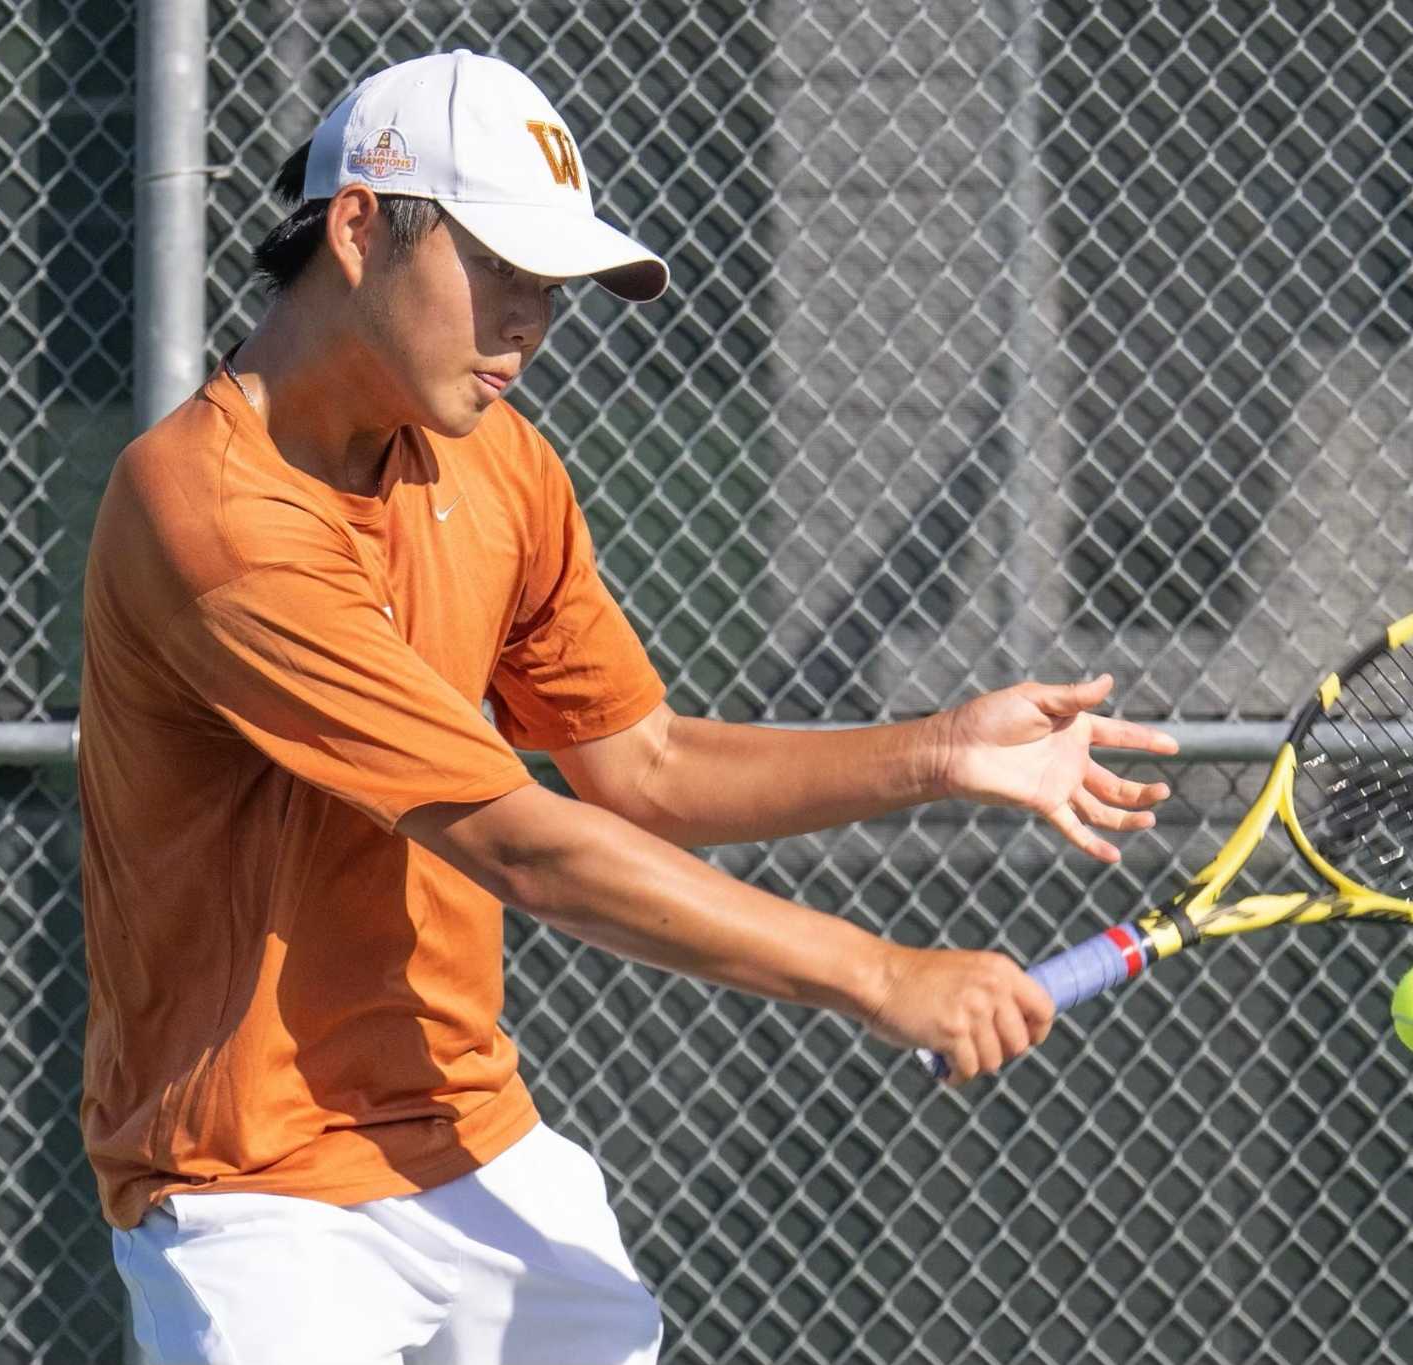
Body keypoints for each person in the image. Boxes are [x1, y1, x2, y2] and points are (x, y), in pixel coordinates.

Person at [79, 49, 1175, 1365]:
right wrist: (886, 975)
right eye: (499, 270)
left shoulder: (505, 468)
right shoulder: (207, 507)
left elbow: (643, 766)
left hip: (480, 1142)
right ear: (362, 229)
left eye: (551, 286)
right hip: (255, 1197)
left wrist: (940, 750)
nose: (530, 322)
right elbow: (520, 843)